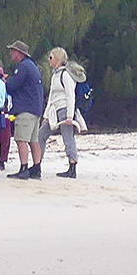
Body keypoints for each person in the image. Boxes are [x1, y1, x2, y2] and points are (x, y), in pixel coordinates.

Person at [5, 41, 46, 179]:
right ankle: (37, 167)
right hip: (36, 108)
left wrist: (4, 81)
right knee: (33, 140)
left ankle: (24, 168)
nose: (11, 54)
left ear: (19, 53)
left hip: (26, 108)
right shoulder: (32, 66)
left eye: (13, 51)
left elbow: (12, 85)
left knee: (21, 139)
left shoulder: (23, 67)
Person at [45, 47, 88, 178]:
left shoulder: (65, 75)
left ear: (58, 59)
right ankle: (36, 165)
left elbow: (70, 96)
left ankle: (72, 166)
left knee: (68, 138)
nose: (48, 60)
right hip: (54, 110)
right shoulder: (55, 75)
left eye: (51, 57)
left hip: (64, 109)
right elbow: (51, 96)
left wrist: (70, 116)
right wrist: (46, 115)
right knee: (41, 135)